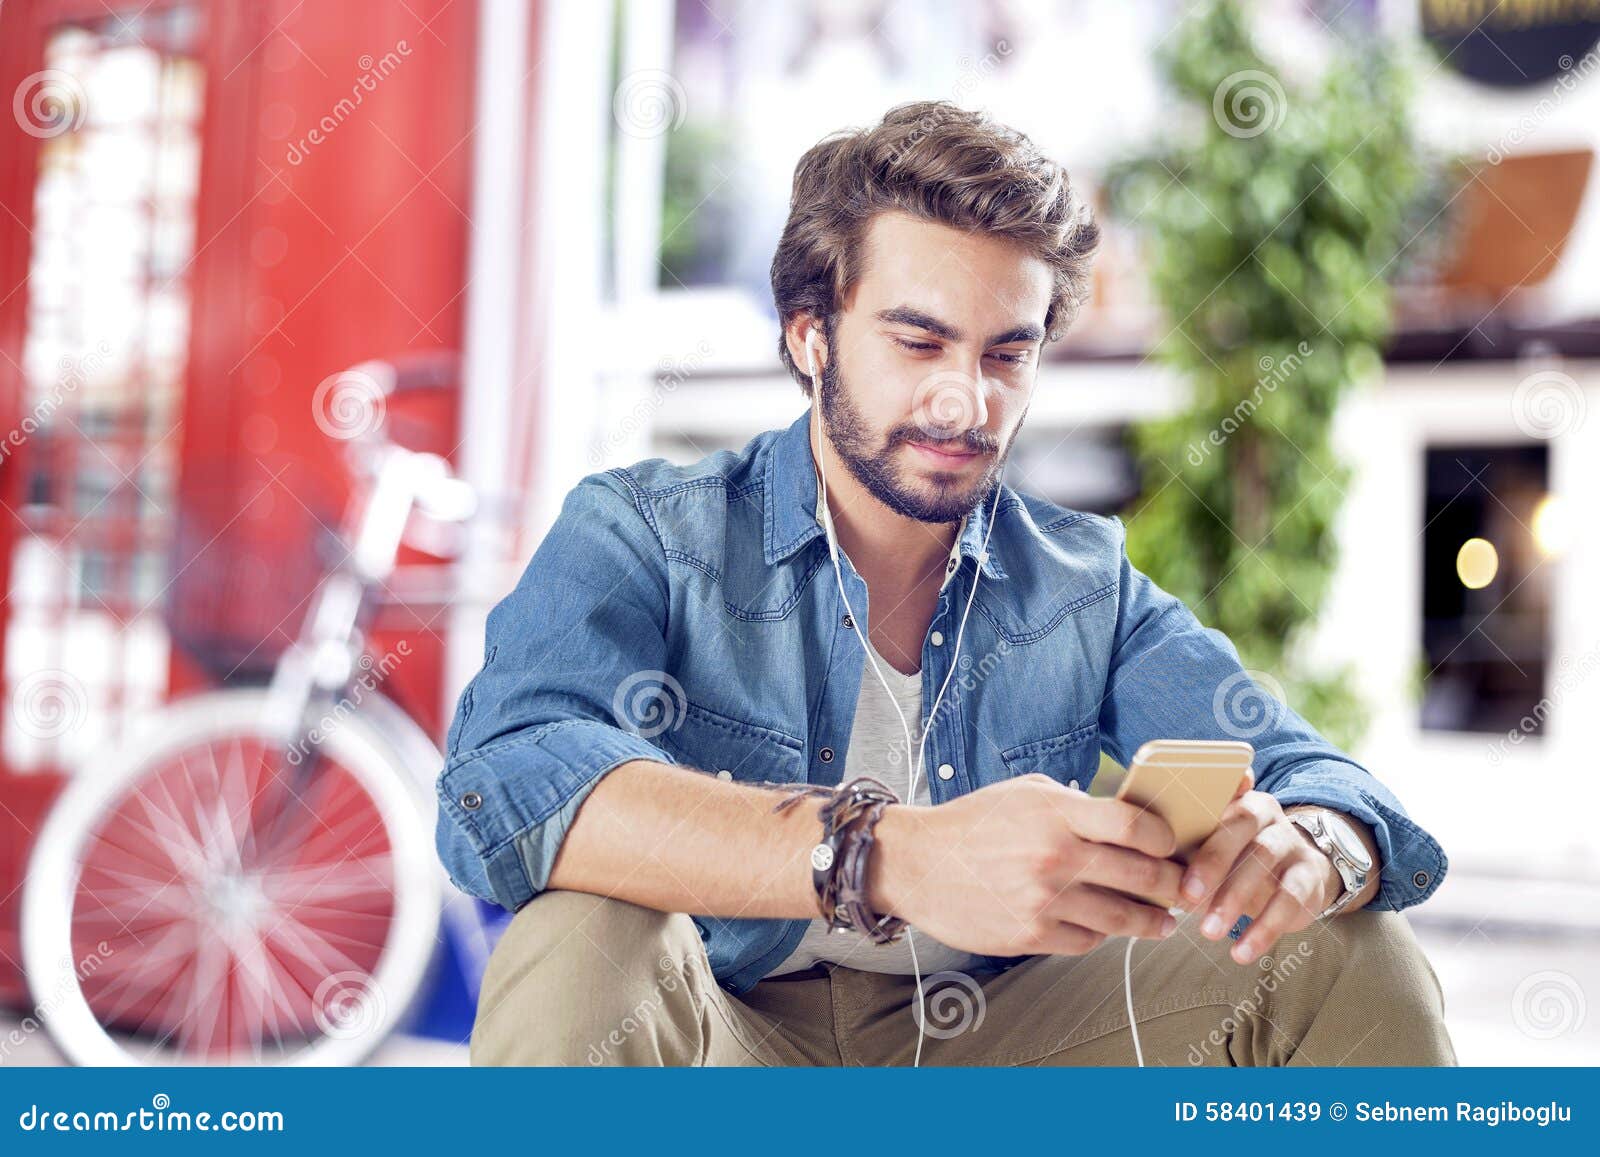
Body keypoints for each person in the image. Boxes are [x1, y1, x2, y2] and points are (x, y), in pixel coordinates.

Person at [437, 100, 1455, 1067]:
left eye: (1006, 355)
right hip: (720, 1032)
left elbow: (1317, 776)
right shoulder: (647, 531)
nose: (965, 401)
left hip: (993, 1046)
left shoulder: (1079, 582)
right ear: (809, 335)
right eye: (918, 341)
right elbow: (506, 782)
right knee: (580, 933)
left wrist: (1318, 844)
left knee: (1344, 946)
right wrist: (886, 856)